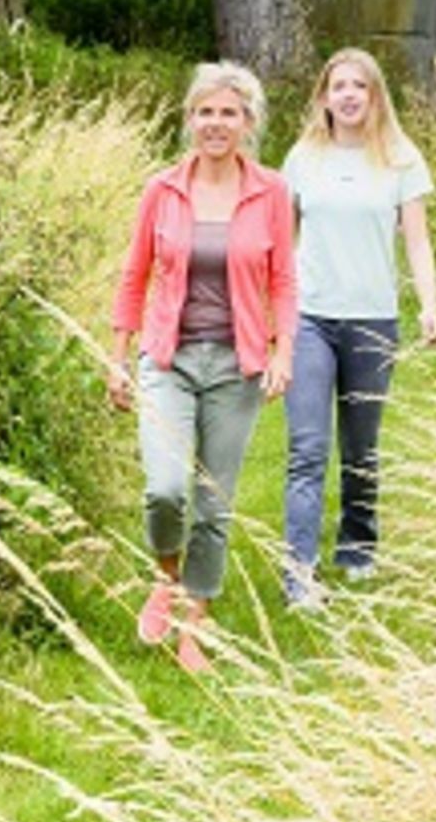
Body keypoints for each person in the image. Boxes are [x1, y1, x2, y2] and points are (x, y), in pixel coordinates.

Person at [109, 62, 297, 672]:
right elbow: (134, 275)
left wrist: (281, 353)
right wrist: (117, 360)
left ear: (248, 123)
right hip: (169, 359)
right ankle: (166, 575)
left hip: (235, 366)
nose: (216, 124)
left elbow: (285, 282)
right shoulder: (162, 190)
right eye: (206, 112)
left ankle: (196, 622)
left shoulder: (270, 192)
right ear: (190, 120)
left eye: (229, 113)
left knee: (214, 503)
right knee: (165, 490)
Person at [276, 49, 436, 605]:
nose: (348, 95)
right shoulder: (302, 159)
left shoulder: (400, 159)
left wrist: (429, 304)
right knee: (307, 447)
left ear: (374, 97)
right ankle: (297, 571)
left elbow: (416, 240)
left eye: (359, 87)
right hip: (310, 319)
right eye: (338, 86)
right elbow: (280, 241)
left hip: (372, 320)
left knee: (361, 445)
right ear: (323, 96)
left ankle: (358, 546)